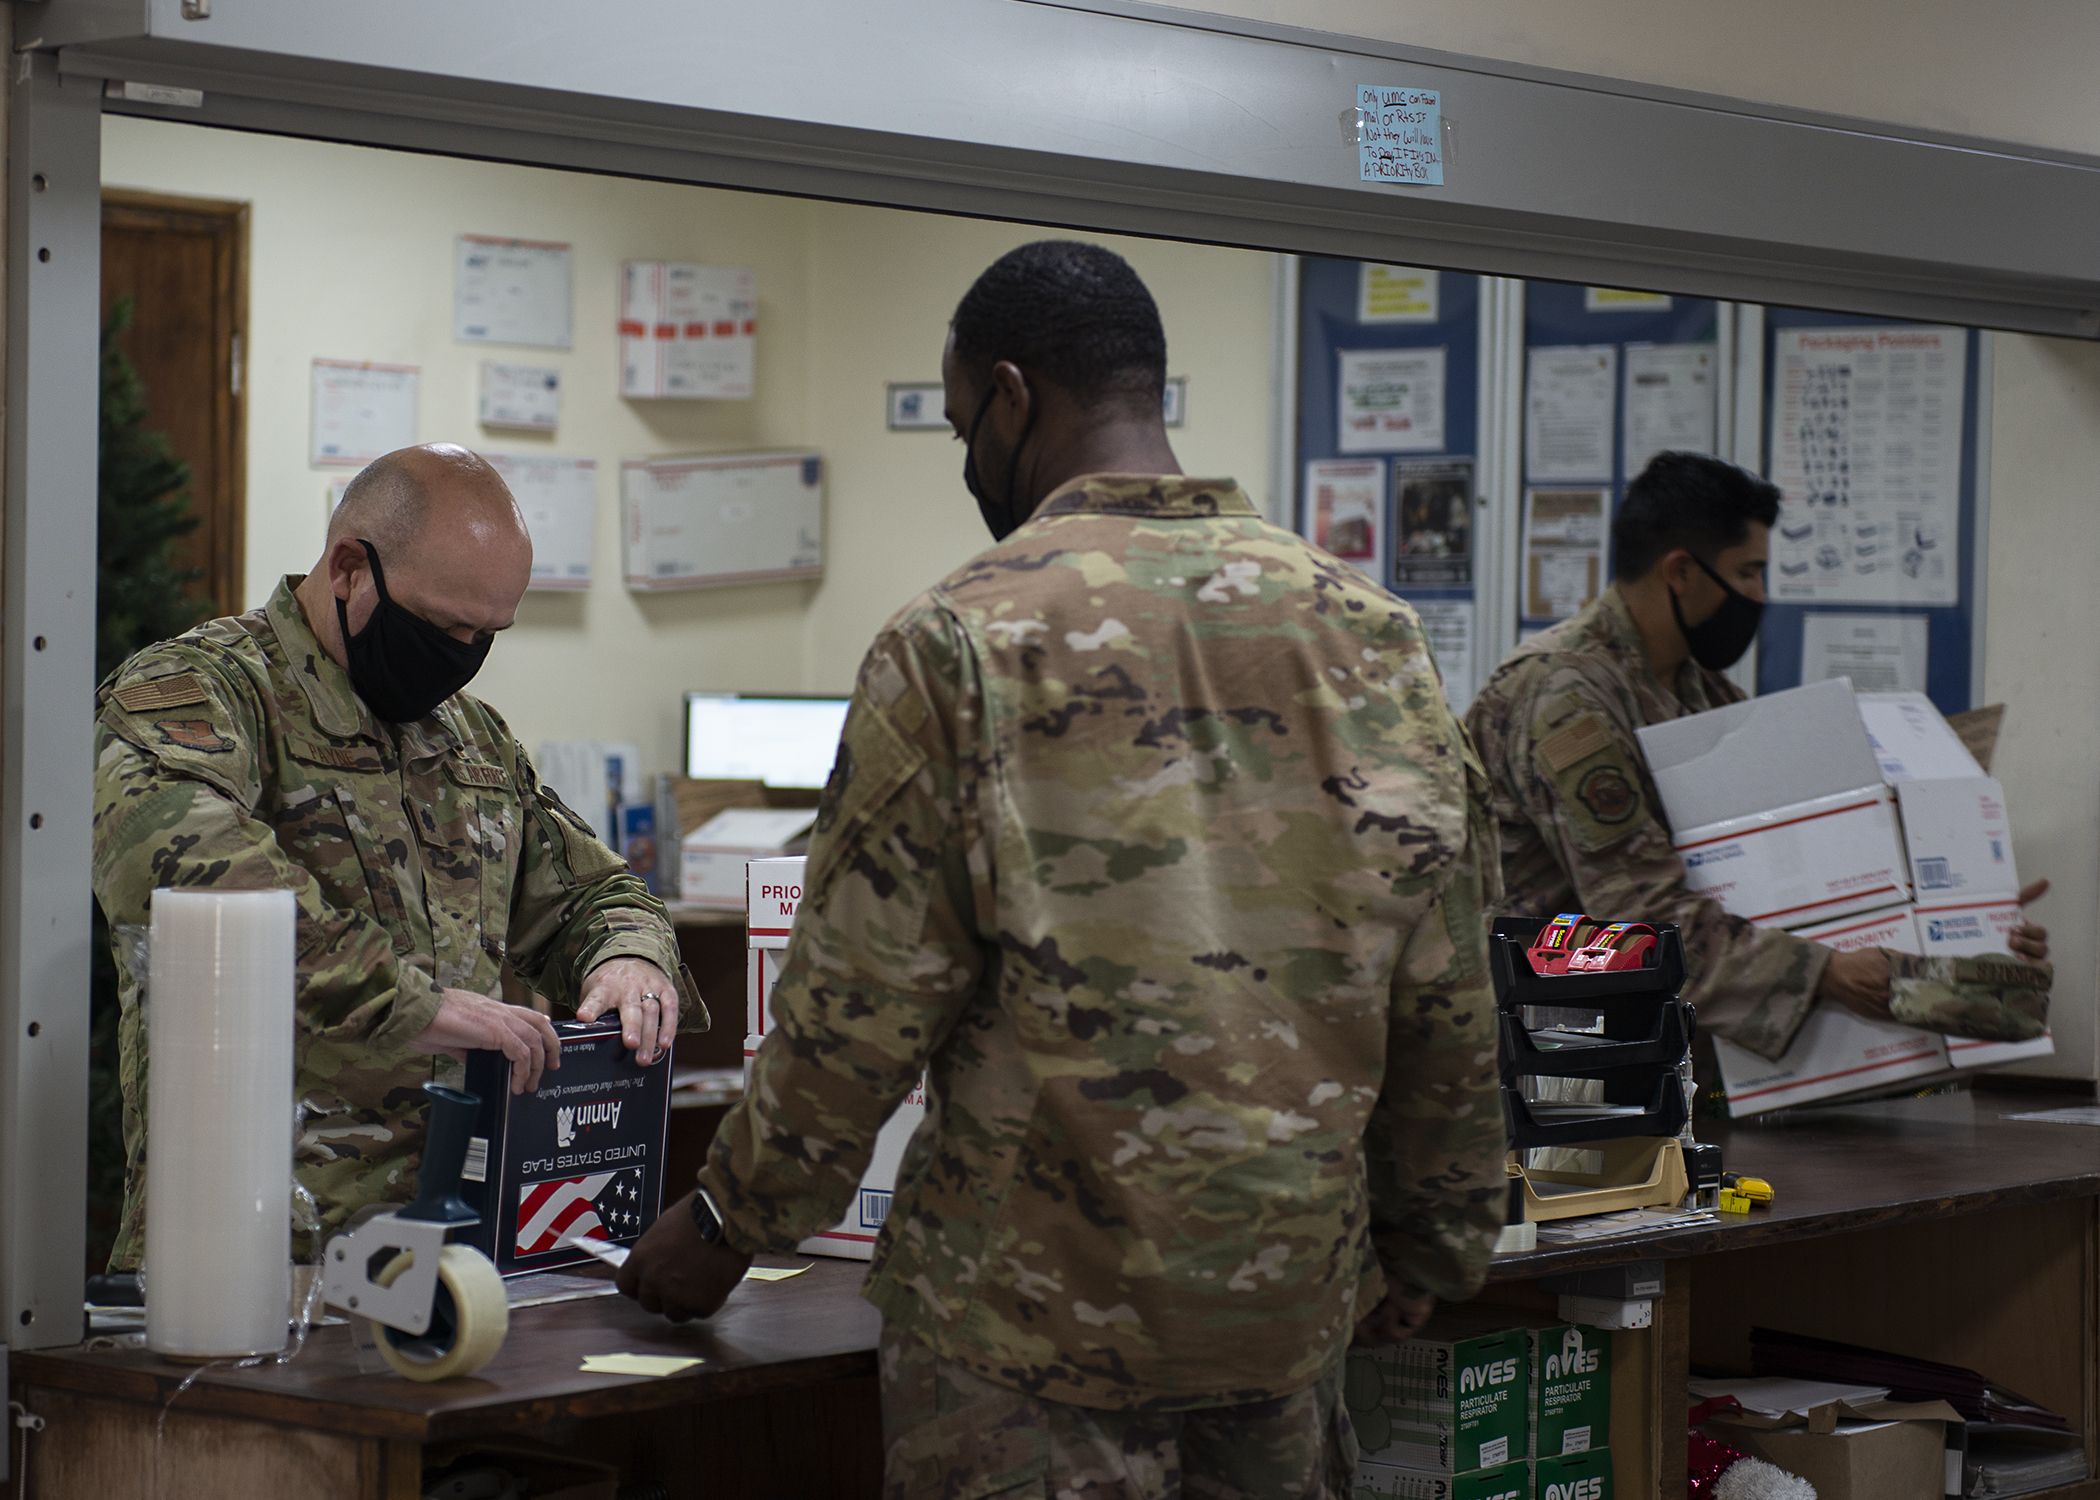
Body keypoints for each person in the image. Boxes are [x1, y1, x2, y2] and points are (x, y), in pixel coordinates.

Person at [618, 241, 1507, 1495]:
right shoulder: (1375, 640)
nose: (967, 458)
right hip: (1284, 1316)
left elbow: (855, 1011)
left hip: (1022, 1340)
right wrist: (1434, 1240)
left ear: (1013, 396)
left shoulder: (959, 641)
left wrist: (726, 1225)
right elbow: (1447, 985)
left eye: (958, 422)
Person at [92, 443, 699, 1268]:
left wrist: (628, 960)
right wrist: (416, 1005)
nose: (462, 655)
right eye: (445, 627)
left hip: (457, 1253)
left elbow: (591, 891)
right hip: (254, 1252)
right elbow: (192, 882)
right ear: (348, 568)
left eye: (488, 634)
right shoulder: (201, 695)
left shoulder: (470, 738)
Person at [1465, 451, 2049, 1061]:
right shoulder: (1565, 699)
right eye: (1747, 573)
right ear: (1681, 572)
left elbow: (1785, 876)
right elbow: (1640, 920)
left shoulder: (1701, 691)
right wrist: (1823, 972)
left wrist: (1968, 920)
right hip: (1548, 1055)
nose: (1759, 595)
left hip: (1653, 1047)